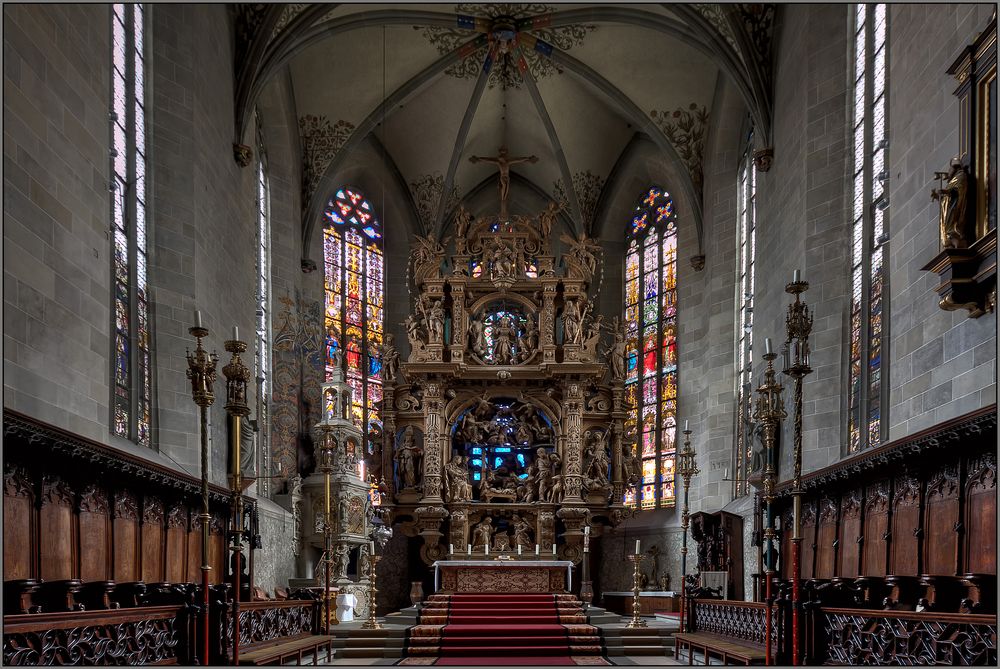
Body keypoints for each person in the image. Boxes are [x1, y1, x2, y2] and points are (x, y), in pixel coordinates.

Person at [469, 146, 539, 221]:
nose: (501, 159)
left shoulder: (508, 162)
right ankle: (503, 200)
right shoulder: (499, 163)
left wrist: (528, 159)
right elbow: (489, 160)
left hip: (507, 178)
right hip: (502, 177)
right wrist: (479, 159)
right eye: (500, 158)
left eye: (502, 158)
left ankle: (504, 200)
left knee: (506, 190)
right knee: (504, 187)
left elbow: (518, 160)